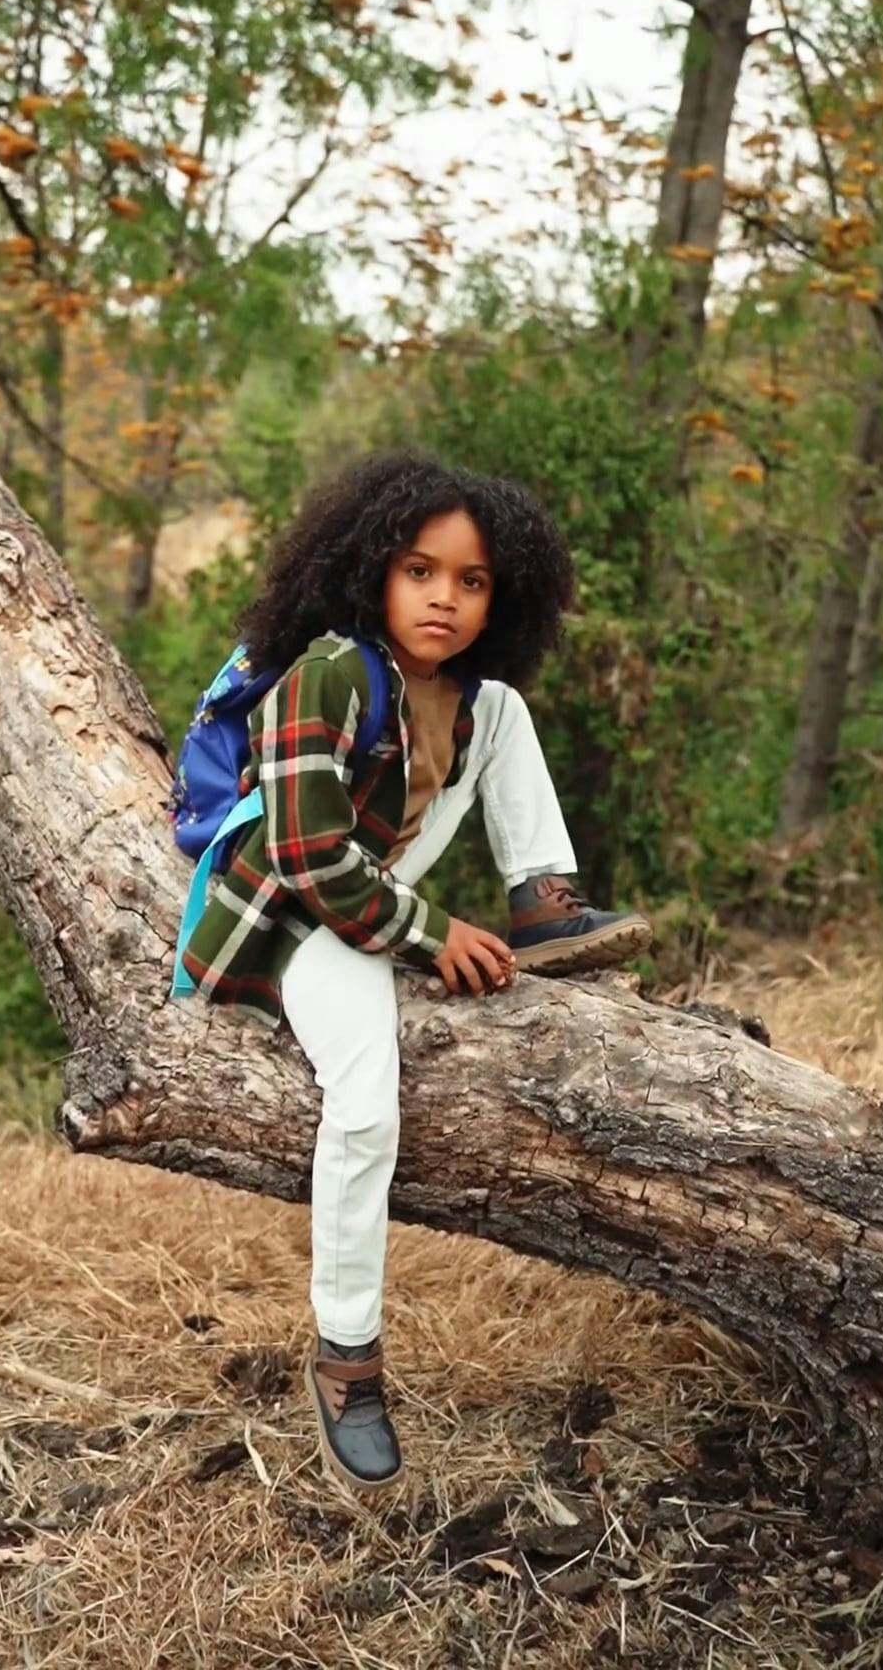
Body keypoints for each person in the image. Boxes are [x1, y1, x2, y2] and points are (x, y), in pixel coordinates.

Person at [179, 451, 652, 1492]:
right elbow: (307, 858)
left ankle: (544, 902)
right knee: (364, 1109)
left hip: (376, 876)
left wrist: (452, 918)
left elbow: (406, 817)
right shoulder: (329, 676)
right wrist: (434, 936)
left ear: (502, 596)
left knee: (510, 714)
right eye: (420, 571)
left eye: (472, 581)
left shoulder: (466, 695)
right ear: (370, 572)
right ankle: (347, 1357)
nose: (445, 597)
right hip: (298, 915)